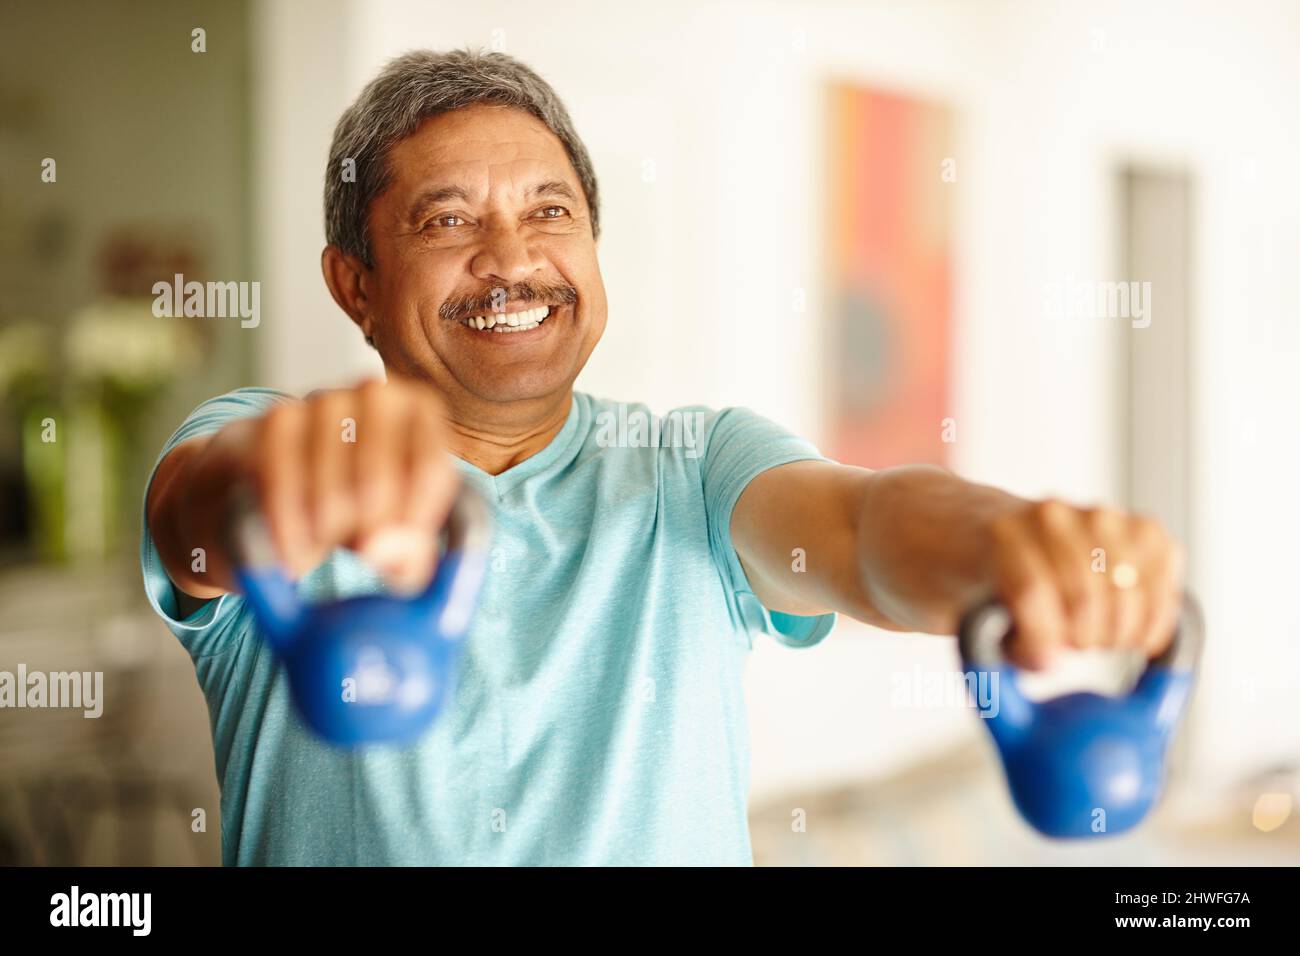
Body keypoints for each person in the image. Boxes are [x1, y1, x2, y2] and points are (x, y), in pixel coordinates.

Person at [143, 49, 1184, 865]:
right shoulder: (265, 446)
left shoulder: (694, 468)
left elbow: (866, 530)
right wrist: (291, 476)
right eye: (448, 219)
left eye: (549, 212)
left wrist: (1010, 547)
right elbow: (205, 510)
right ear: (354, 283)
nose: (511, 260)